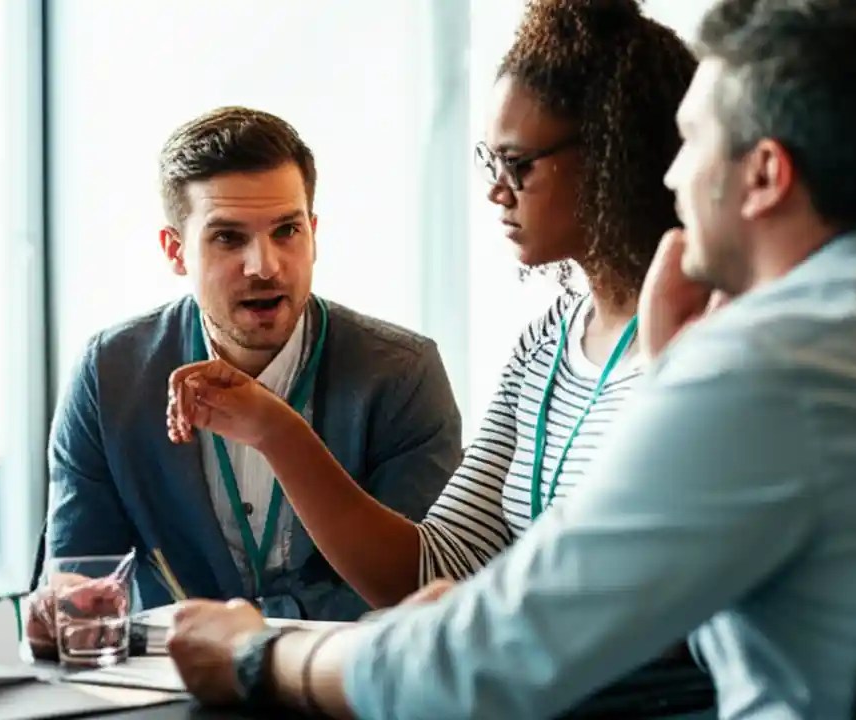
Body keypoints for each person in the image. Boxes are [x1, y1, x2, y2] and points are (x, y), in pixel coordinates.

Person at [165, 0, 856, 717]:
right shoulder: (841, 322)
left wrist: (260, 658)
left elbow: (492, 664)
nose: (673, 175)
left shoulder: (763, 362)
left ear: (766, 174)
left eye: (694, 143)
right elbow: (454, 576)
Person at [171, 0, 694, 612]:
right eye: (490, 161)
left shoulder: (698, 337)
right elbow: (430, 570)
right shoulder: (547, 343)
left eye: (519, 164)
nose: (497, 190)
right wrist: (275, 430)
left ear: (612, 155)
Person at [29, 106, 461, 634]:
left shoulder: (402, 374)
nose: (265, 266)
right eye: (229, 238)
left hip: (347, 689)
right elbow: (78, 573)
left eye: (286, 231)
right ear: (175, 251)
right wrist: (65, 605)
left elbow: (420, 587)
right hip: (171, 690)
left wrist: (251, 630)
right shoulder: (110, 374)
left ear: (314, 233)